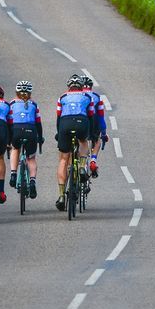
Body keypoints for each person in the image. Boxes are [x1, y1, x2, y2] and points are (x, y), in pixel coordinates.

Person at [54, 73, 94, 211]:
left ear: (68, 87)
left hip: (65, 124)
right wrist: (91, 134)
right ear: (82, 87)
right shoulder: (87, 97)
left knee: (64, 160)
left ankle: (61, 196)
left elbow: (58, 118)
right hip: (81, 122)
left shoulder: (62, 97)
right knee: (83, 142)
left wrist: (59, 134)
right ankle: (82, 167)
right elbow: (91, 116)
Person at [7, 80, 44, 199]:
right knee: (31, 158)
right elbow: (38, 123)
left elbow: (8, 121)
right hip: (31, 130)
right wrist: (40, 137)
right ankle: (32, 181)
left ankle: (13, 173)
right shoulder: (34, 104)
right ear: (30, 93)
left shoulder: (11, 103)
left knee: (15, 148)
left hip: (16, 130)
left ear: (16, 92)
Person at [81, 75, 109, 178]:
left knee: (81, 141)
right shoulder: (97, 96)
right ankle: (93, 160)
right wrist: (104, 134)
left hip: (80, 122)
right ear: (91, 87)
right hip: (94, 122)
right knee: (97, 140)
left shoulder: (78, 95)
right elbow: (101, 118)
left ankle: (80, 165)